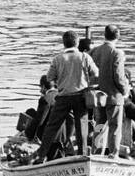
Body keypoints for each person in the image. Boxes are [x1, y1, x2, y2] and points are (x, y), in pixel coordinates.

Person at [34, 30, 100, 163]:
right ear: (77, 43)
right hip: (80, 96)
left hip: (63, 97)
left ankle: (41, 156)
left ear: (64, 44)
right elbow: (96, 73)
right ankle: (82, 156)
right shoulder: (84, 57)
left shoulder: (58, 58)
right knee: (82, 127)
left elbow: (50, 77)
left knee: (52, 127)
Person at [89, 25, 130, 156]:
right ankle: (113, 154)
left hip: (99, 96)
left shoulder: (95, 51)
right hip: (113, 95)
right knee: (115, 127)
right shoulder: (117, 53)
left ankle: (97, 152)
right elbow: (118, 76)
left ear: (104, 35)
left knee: (99, 125)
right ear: (117, 36)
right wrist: (125, 90)